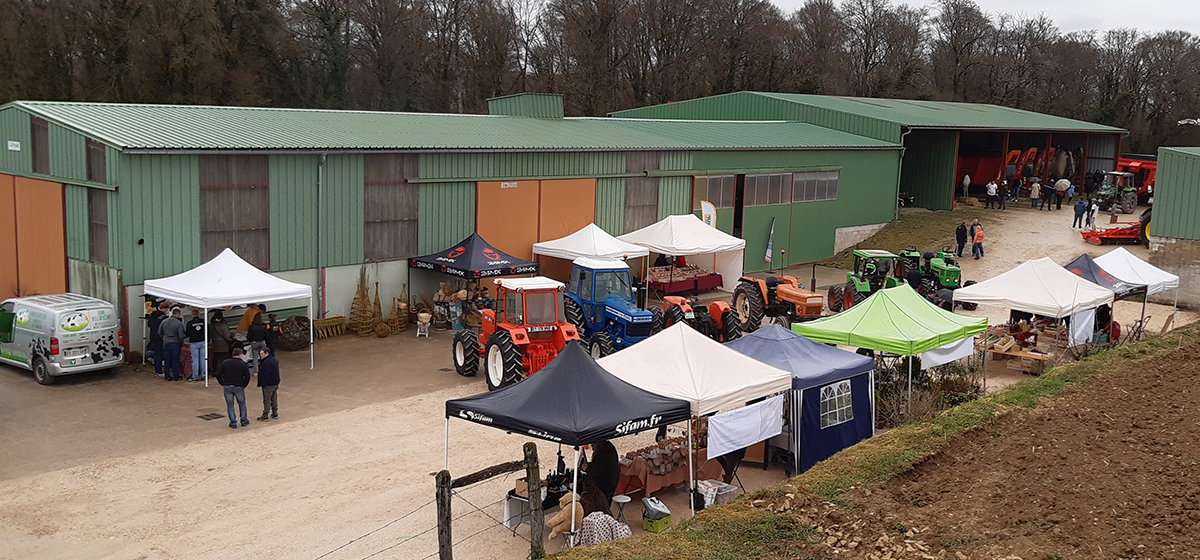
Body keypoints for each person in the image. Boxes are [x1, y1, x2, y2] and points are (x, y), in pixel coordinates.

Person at [216, 348, 252, 428]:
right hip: (239, 386)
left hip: (227, 386)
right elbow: (247, 377)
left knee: (230, 405)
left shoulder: (225, 363)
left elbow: (218, 374)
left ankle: (233, 422)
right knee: (242, 404)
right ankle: (244, 420)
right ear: (240, 355)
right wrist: (244, 385)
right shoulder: (243, 364)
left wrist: (222, 383)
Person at [159, 307, 186, 381]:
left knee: (167, 360)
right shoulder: (179, 323)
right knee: (175, 360)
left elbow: (160, 332)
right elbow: (181, 335)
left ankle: (167, 376)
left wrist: (164, 339)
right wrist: (181, 342)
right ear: (178, 314)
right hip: (175, 343)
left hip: (166, 343)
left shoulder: (164, 321)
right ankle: (176, 376)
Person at [256, 347, 280, 422]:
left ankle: (265, 415)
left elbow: (265, 375)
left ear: (267, 353)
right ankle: (275, 413)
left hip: (268, 384)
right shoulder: (274, 360)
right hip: (275, 383)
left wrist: (262, 383)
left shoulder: (265, 363)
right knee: (274, 399)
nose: (261, 355)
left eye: (262, 354)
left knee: (267, 400)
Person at [147, 302, 169, 377]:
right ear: (165, 308)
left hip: (153, 336)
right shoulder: (164, 317)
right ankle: (159, 371)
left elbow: (148, 324)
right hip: (160, 337)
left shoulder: (152, 315)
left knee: (156, 354)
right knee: (160, 354)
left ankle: (157, 370)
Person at [186, 309, 207, 382]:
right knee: (203, 359)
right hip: (203, 341)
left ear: (192, 315)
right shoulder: (203, 321)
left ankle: (195, 376)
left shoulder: (189, 323)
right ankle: (204, 375)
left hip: (194, 343)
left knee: (195, 360)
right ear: (199, 314)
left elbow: (187, 334)